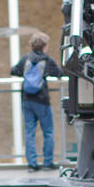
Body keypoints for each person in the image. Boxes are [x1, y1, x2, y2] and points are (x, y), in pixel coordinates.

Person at [10, 32, 63, 172]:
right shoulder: (47, 60)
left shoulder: (26, 58)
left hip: (27, 100)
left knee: (29, 133)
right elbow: (59, 73)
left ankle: (32, 165)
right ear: (44, 46)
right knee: (48, 131)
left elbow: (14, 71)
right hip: (42, 100)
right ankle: (47, 163)